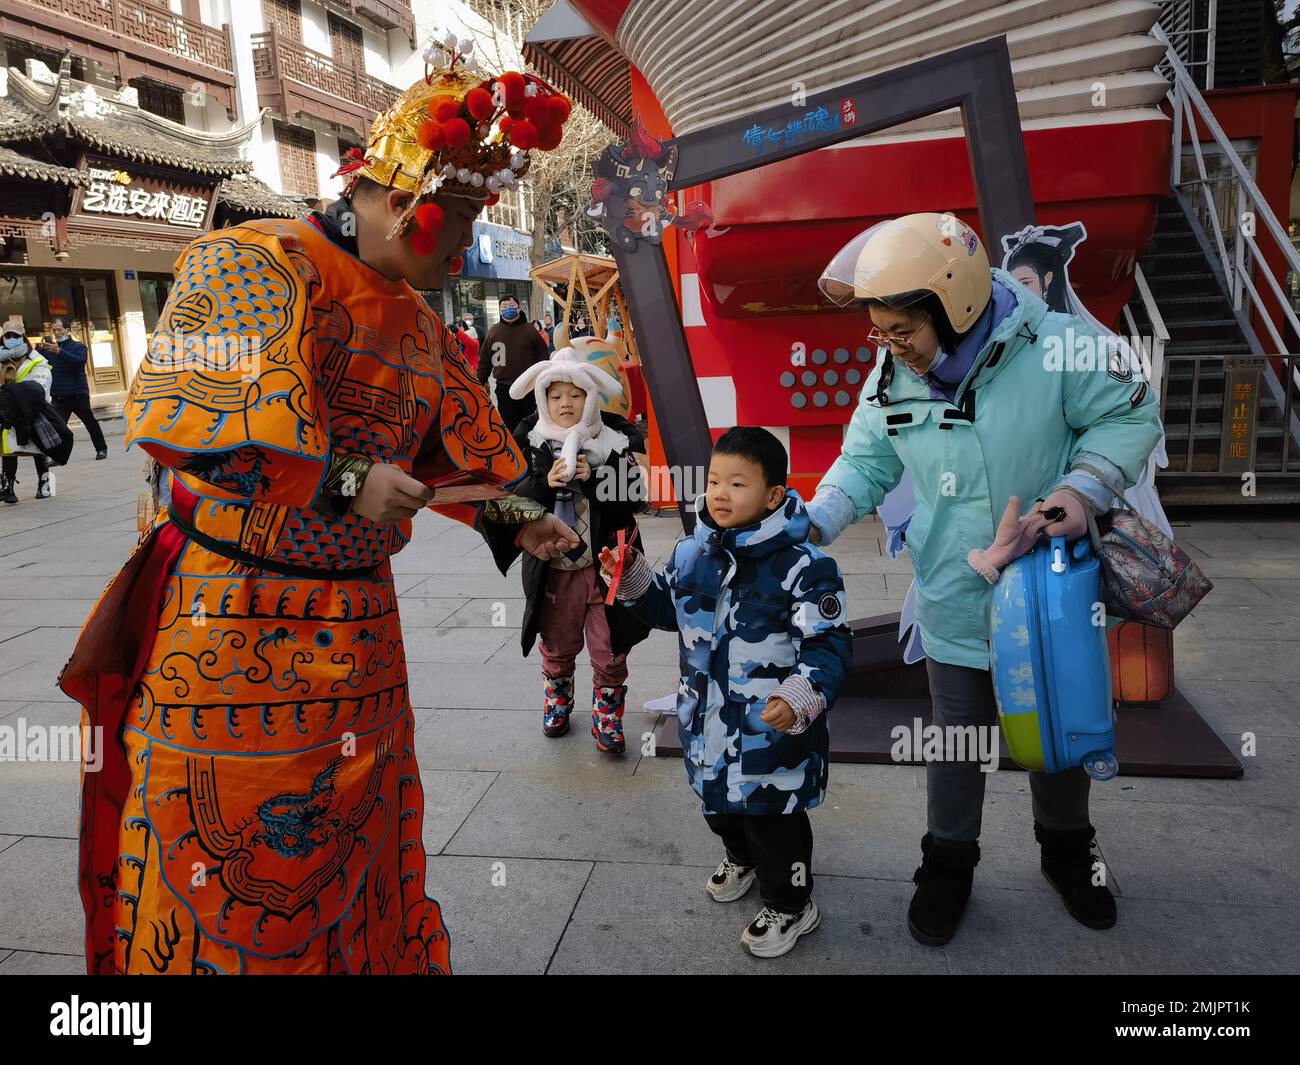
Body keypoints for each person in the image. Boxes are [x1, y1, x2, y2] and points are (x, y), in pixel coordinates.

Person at [58, 47, 579, 975]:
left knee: (358, 839)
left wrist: (515, 520)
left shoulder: (421, 325)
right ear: (395, 196)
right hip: (234, 614)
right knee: (221, 843)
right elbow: (197, 426)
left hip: (361, 629)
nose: (461, 247)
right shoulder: (252, 261)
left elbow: (443, 458)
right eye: (454, 220)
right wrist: (344, 481)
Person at [807, 212, 1163, 947]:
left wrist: (1081, 490)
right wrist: (819, 518)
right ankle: (948, 862)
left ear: (953, 305)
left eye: (901, 327)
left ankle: (1068, 852)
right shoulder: (893, 372)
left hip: (1048, 590)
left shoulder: (1057, 346)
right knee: (957, 738)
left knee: (1057, 727)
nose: (889, 344)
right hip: (954, 590)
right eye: (880, 329)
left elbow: (1130, 415)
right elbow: (867, 460)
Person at [604, 427, 852, 958]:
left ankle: (791, 903)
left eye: (737, 484)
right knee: (718, 807)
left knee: (774, 821)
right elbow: (667, 610)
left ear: (773, 496)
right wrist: (633, 580)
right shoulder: (694, 552)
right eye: (715, 480)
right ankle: (740, 856)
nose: (719, 493)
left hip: (770, 731)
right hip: (707, 722)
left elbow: (828, 645)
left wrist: (802, 695)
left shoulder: (805, 567)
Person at [509, 346, 649, 751]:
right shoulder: (529, 443)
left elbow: (638, 497)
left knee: (610, 646)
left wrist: (600, 476)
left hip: (608, 568)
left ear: (591, 399)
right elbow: (506, 504)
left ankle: (607, 714)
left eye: (575, 394)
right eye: (555, 395)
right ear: (542, 399)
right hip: (555, 570)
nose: (565, 403)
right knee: (557, 641)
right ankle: (558, 699)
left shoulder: (614, 440)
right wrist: (540, 483)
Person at [477, 294, 549, 432]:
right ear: (499, 310)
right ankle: (513, 452)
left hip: (527, 387)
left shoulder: (530, 331)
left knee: (528, 424)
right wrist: (479, 382)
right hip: (504, 388)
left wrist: (544, 382)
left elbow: (543, 359)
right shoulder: (494, 331)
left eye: (512, 306)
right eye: (504, 307)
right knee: (508, 425)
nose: (508, 309)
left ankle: (528, 451)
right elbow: (484, 361)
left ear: (519, 308)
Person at [38, 317, 107, 460]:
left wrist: (60, 352)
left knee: (90, 422)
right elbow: (39, 364)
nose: (56, 333)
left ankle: (101, 449)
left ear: (67, 330)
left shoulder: (79, 347)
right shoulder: (50, 349)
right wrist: (38, 350)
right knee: (57, 428)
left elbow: (79, 361)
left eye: (59, 329)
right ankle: (58, 456)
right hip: (59, 396)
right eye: (54, 330)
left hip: (78, 394)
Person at [1, 315, 53, 503]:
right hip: (9, 414)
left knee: (39, 449)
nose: (11, 339)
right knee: (7, 450)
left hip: (34, 411)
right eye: (7, 336)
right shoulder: (1, 360)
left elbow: (41, 384)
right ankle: (7, 487)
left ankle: (46, 484)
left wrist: (13, 392)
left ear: (23, 337)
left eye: (15, 335)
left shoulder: (36, 359)